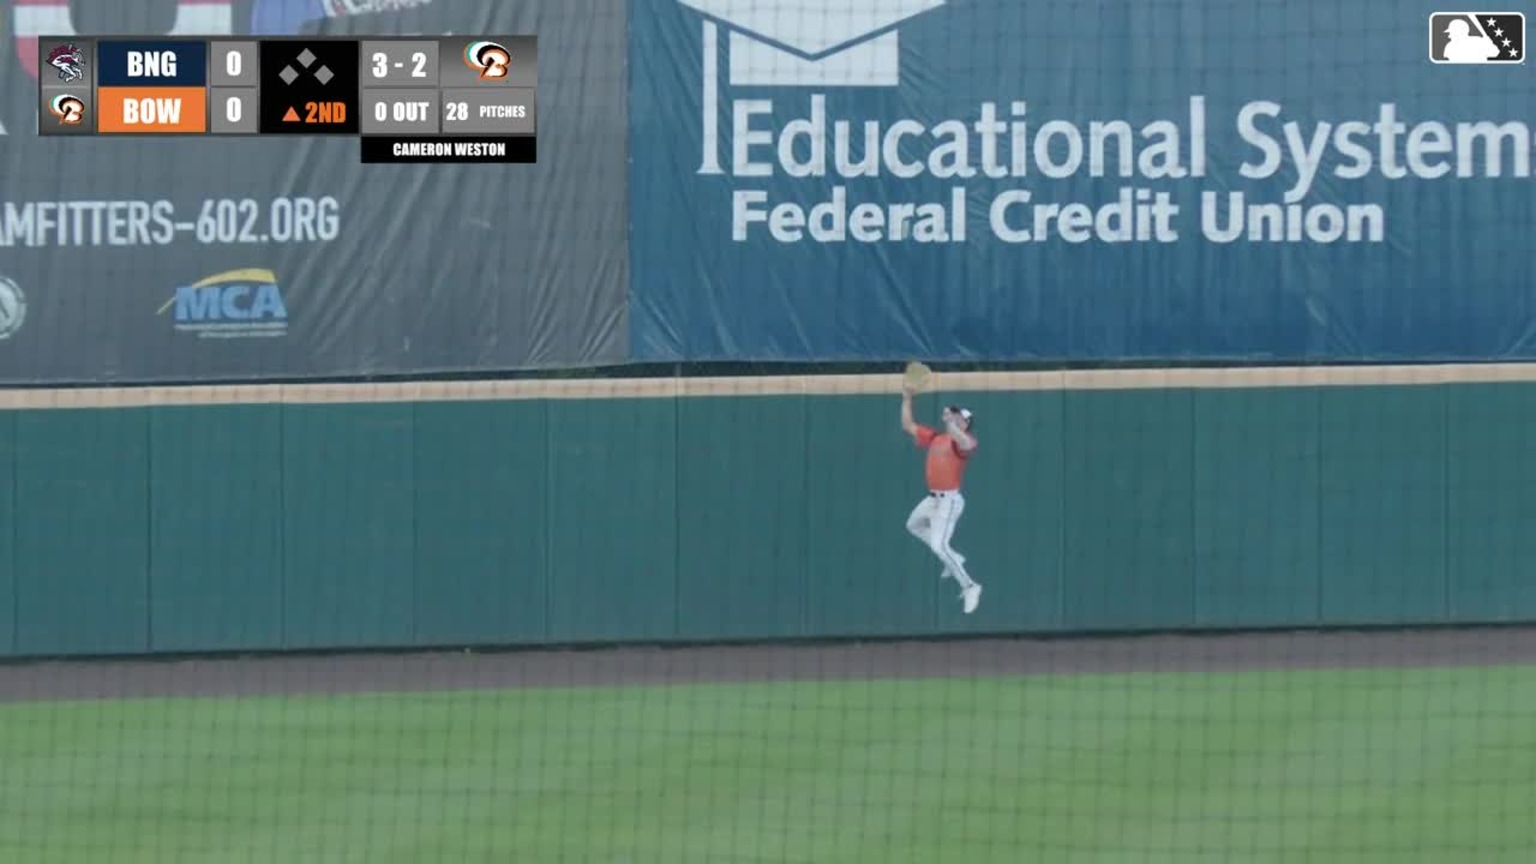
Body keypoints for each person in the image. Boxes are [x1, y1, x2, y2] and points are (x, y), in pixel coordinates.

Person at [900, 385, 982, 614]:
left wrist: (950, 421)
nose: (955, 418)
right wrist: (907, 398)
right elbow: (908, 425)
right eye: (954, 415)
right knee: (913, 525)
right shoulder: (936, 438)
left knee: (938, 545)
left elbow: (962, 439)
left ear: (965, 424)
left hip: (949, 502)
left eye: (959, 417)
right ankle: (953, 557)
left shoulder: (966, 442)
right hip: (932, 499)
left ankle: (970, 586)